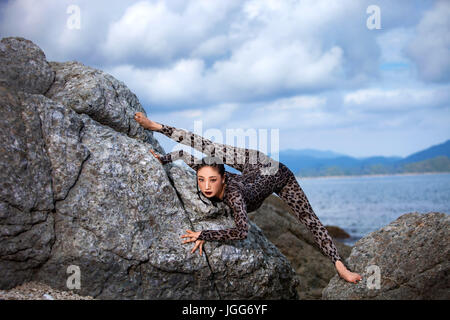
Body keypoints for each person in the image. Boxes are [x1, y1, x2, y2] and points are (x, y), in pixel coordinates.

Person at [134, 112, 362, 284]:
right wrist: (162, 159)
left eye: (212, 181)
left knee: (309, 219)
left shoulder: (234, 196)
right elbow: (183, 153)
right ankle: (155, 125)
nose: (205, 186)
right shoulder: (208, 174)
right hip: (254, 165)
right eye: (202, 180)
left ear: (223, 179)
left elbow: (241, 231)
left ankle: (339, 264)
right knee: (209, 147)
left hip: (277, 174)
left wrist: (205, 234)